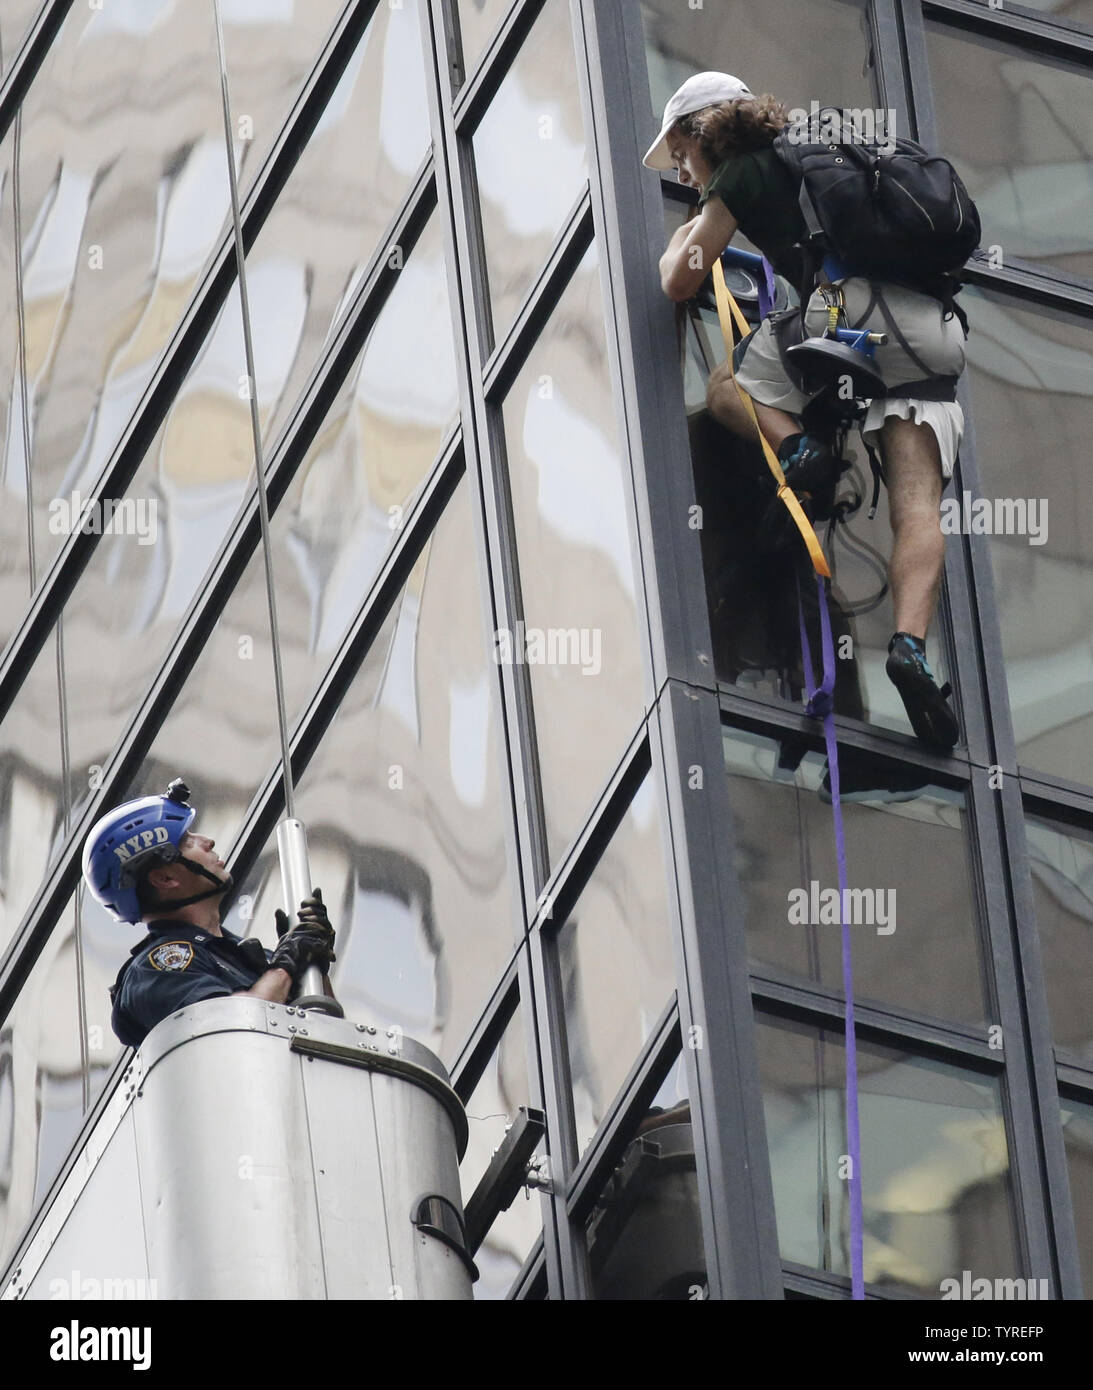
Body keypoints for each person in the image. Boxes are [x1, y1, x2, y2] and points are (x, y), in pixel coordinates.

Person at [645, 72, 967, 750]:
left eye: (680, 153)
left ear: (702, 131)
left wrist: (686, 234)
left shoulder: (747, 168)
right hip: (935, 334)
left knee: (730, 386)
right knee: (916, 507)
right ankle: (909, 649)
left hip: (846, 314)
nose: (682, 168)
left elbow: (682, 277)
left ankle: (797, 449)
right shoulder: (828, 150)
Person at [83, 778, 336, 1048]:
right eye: (188, 842)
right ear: (165, 878)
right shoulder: (156, 969)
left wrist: (313, 963)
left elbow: (330, 1032)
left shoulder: (253, 959)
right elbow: (233, 1027)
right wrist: (288, 964)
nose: (207, 841)